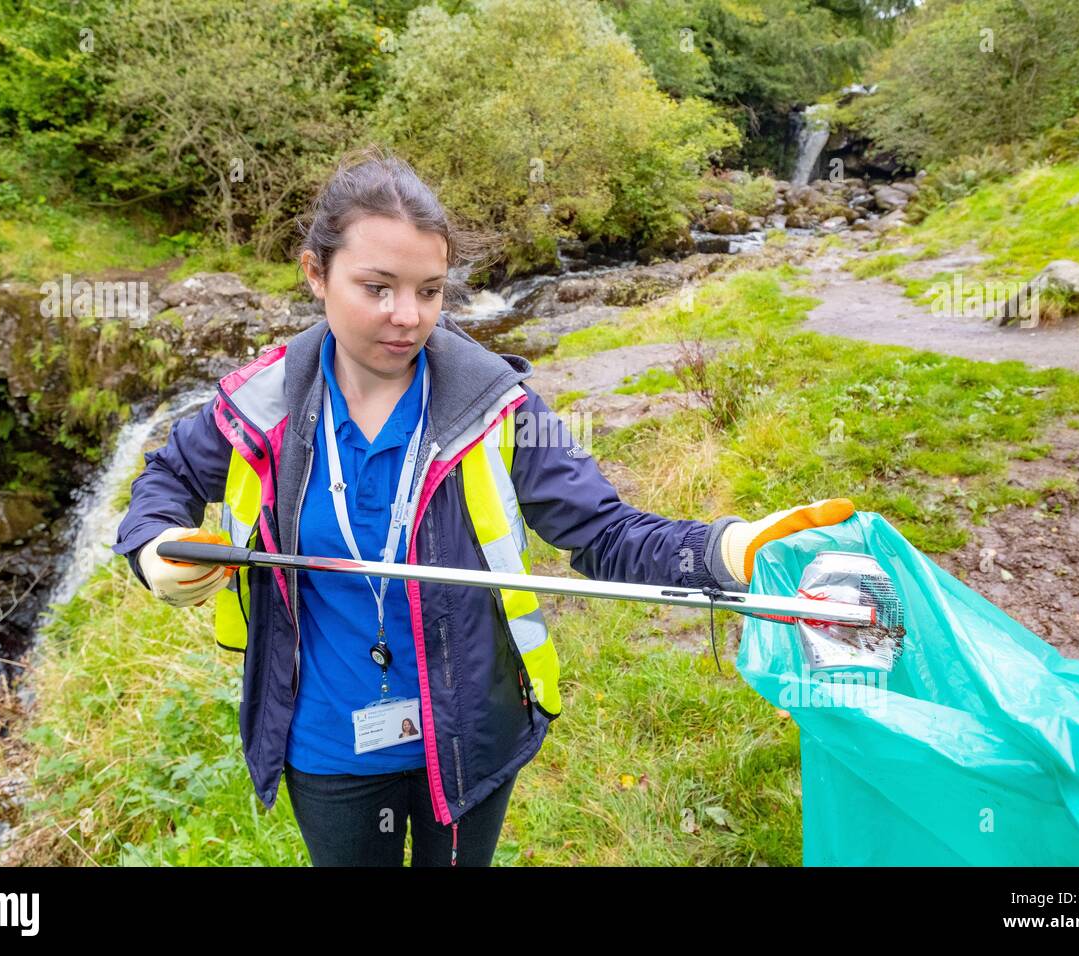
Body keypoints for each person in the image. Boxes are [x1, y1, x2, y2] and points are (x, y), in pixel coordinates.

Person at [112, 144, 855, 867]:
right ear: (316, 273)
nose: (408, 315)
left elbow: (602, 529)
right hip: (324, 746)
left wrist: (725, 551)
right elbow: (168, 479)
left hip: (470, 733)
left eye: (430, 290)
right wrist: (154, 547)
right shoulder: (259, 401)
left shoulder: (496, 404)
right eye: (378, 287)